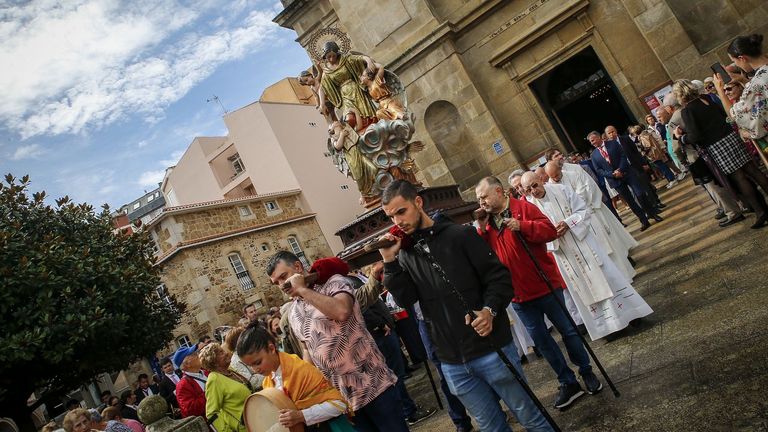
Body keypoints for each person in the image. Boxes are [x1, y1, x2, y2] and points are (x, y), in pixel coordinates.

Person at [379, 179, 554, 432]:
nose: (397, 221)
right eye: (391, 216)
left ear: (418, 202)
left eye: (401, 211)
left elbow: (499, 279)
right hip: (452, 362)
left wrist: (489, 311)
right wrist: (390, 262)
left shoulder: (460, 235)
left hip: (490, 349)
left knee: (531, 418)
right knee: (491, 428)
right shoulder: (406, 254)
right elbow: (405, 299)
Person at [475, 177, 602, 410]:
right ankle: (567, 381)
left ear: (499, 191)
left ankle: (586, 370)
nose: (481, 202)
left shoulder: (523, 208)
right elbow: (485, 257)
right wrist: (482, 231)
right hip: (518, 295)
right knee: (542, 342)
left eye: (484, 196)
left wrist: (523, 226)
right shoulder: (488, 224)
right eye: (478, 199)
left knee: (568, 331)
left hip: (545, 285)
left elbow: (550, 231)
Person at [267, 251, 413, 432]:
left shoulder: (334, 283)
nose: (281, 285)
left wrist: (303, 290)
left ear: (297, 267)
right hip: (343, 400)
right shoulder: (293, 312)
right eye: (276, 283)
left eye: (283, 277)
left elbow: (342, 311)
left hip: (374, 385)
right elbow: (308, 350)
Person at [520, 173, 654, 341]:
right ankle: (609, 328)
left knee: (608, 279)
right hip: (565, 255)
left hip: (585, 245)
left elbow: (583, 210)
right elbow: (535, 235)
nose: (533, 191)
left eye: (534, 185)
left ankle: (631, 314)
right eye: (528, 190)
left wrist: (568, 223)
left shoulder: (561, 190)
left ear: (541, 180)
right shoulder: (530, 207)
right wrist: (551, 235)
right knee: (584, 289)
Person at [676, 78, 768, 229]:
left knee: (740, 178)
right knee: (754, 171)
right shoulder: (706, 99)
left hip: (716, 145)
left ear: (680, 95)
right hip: (730, 137)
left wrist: (681, 138)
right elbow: (723, 115)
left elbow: (695, 136)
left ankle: (760, 212)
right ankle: (762, 209)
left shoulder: (687, 111)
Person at [237, 324, 353, 431]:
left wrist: (302, 415)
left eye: (257, 362)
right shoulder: (267, 383)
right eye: (250, 366)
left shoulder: (301, 370)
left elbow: (339, 405)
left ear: (271, 349)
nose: (255, 370)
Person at [544, 161, 637, 281]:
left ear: (560, 169)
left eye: (557, 174)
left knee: (608, 247)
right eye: (552, 177)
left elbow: (582, 194)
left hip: (589, 215)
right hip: (574, 224)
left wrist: (575, 211)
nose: (556, 178)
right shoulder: (551, 187)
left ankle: (625, 276)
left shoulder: (573, 175)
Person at [589, 131, 660, 231]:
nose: (592, 143)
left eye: (593, 140)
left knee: (640, 194)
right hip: (615, 180)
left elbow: (623, 156)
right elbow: (598, 170)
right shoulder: (594, 155)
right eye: (590, 142)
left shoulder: (613, 143)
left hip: (627, 173)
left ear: (599, 137)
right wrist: (612, 174)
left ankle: (652, 214)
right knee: (630, 201)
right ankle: (644, 220)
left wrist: (620, 170)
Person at [718, 34, 768, 158]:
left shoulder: (756, 83)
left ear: (742, 58)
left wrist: (720, 91)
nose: (736, 65)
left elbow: (737, 114)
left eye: (734, 61)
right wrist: (742, 80)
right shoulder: (757, 80)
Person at [318, 41, 381, 131]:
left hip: (356, 90)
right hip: (344, 96)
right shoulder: (327, 72)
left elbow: (360, 58)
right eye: (329, 57)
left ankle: (372, 127)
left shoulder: (346, 60)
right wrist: (322, 104)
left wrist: (368, 61)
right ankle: (359, 132)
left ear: (337, 53)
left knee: (365, 113)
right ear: (325, 57)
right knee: (350, 118)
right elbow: (322, 87)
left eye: (333, 56)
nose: (331, 59)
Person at [605, 125, 663, 212]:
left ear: (616, 131)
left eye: (613, 131)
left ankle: (656, 203)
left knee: (646, 185)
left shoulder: (625, 139)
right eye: (609, 133)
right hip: (625, 171)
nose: (611, 134)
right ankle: (649, 208)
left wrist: (643, 163)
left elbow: (636, 152)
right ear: (607, 135)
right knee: (638, 191)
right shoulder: (608, 147)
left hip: (635, 165)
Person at [199, 343, 251, 432]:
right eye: (221, 352)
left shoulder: (230, 370)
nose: (226, 353)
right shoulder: (214, 379)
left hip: (255, 419)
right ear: (213, 361)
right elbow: (211, 414)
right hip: (244, 427)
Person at [222, 326, 264, 391]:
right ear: (238, 341)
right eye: (245, 336)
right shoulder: (236, 361)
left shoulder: (250, 350)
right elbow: (252, 382)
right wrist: (267, 374)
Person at [173, 345, 207, 418]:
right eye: (194, 354)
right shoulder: (182, 385)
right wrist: (210, 392)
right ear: (187, 364)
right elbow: (191, 410)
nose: (198, 354)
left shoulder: (206, 371)